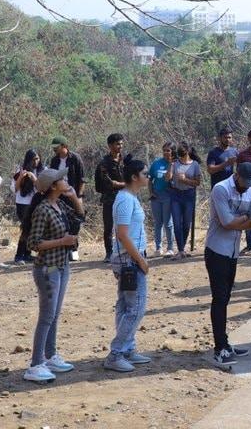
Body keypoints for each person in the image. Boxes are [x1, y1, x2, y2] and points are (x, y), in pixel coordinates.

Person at [24, 167, 84, 382]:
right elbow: (33, 243)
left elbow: (80, 216)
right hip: (47, 268)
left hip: (61, 266)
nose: (66, 180)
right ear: (52, 186)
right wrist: (62, 241)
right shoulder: (43, 210)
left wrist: (74, 196)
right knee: (47, 316)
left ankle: (50, 355)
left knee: (55, 314)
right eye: (61, 179)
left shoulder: (58, 205)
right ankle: (35, 364)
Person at [204, 160, 251, 368]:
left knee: (226, 298)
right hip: (217, 250)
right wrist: (244, 219)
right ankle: (219, 349)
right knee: (219, 298)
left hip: (234, 251)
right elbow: (226, 223)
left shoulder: (250, 190)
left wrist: (240, 221)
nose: (247, 186)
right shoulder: (221, 189)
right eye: (244, 181)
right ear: (237, 176)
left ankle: (225, 343)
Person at [104, 156, 152, 373]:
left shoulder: (130, 197)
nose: (148, 177)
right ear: (134, 177)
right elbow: (123, 235)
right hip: (129, 260)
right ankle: (116, 354)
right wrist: (140, 260)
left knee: (126, 305)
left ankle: (128, 348)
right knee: (136, 308)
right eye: (145, 174)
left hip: (130, 257)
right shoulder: (125, 199)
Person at [48, 137, 86, 260]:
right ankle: (65, 250)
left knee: (76, 222)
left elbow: (82, 179)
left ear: (64, 145)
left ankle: (74, 249)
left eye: (56, 146)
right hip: (59, 196)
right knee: (63, 222)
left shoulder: (75, 158)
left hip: (73, 195)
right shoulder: (54, 160)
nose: (54, 149)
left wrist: (79, 196)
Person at [94, 134, 126, 261]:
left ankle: (124, 250)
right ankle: (109, 252)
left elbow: (133, 177)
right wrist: (124, 184)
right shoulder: (104, 163)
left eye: (122, 144)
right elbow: (109, 183)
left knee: (124, 225)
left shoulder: (125, 161)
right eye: (118, 144)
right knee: (108, 227)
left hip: (125, 197)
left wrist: (122, 184)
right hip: (110, 198)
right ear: (110, 145)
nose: (120, 147)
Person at [168, 141, 202, 259]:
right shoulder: (175, 164)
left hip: (189, 195)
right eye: (179, 154)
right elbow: (168, 178)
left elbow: (197, 182)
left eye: (183, 153)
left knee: (186, 223)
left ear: (188, 152)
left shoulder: (195, 165)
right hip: (175, 195)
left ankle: (182, 248)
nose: (181, 156)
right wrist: (170, 166)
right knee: (177, 223)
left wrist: (185, 180)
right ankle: (181, 250)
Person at [12, 149, 41, 265]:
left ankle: (27, 254)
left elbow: (41, 188)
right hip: (22, 204)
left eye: (38, 158)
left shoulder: (41, 171)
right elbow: (15, 189)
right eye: (34, 159)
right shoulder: (19, 171)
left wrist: (34, 178)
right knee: (25, 230)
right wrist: (21, 177)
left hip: (35, 203)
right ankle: (19, 255)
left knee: (32, 230)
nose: (36, 161)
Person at [148, 143, 175, 258]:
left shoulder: (175, 164)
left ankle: (170, 248)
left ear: (173, 152)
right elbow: (150, 179)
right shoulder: (156, 163)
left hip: (168, 196)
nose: (166, 152)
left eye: (168, 150)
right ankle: (158, 248)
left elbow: (168, 177)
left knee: (168, 223)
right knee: (158, 223)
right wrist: (151, 192)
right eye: (164, 150)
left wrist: (170, 163)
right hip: (156, 196)